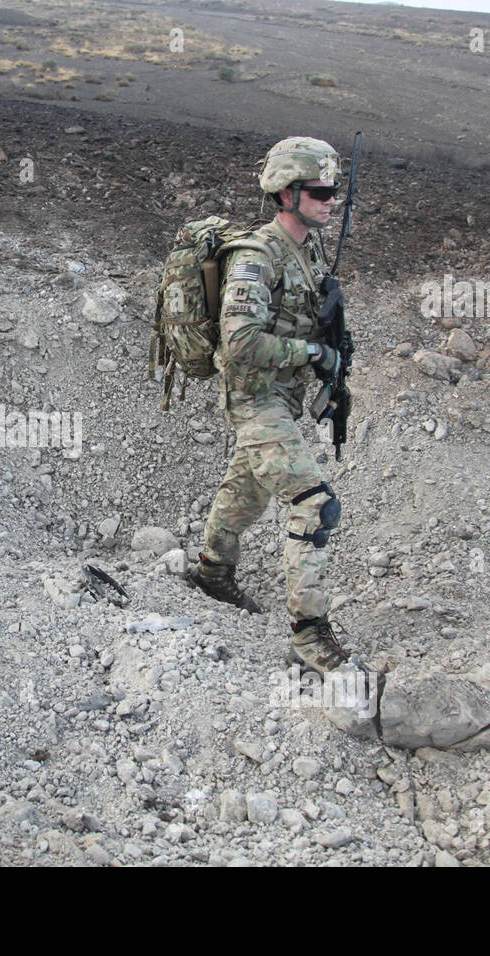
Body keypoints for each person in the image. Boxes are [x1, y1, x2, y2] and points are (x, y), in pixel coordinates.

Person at [186, 136, 353, 674]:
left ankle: (212, 573)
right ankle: (309, 635)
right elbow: (238, 341)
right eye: (322, 190)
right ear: (287, 192)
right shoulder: (257, 256)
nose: (332, 200)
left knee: (247, 486)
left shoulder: (308, 249)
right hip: (254, 396)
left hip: (283, 394)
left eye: (336, 189)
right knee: (313, 502)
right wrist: (309, 350)